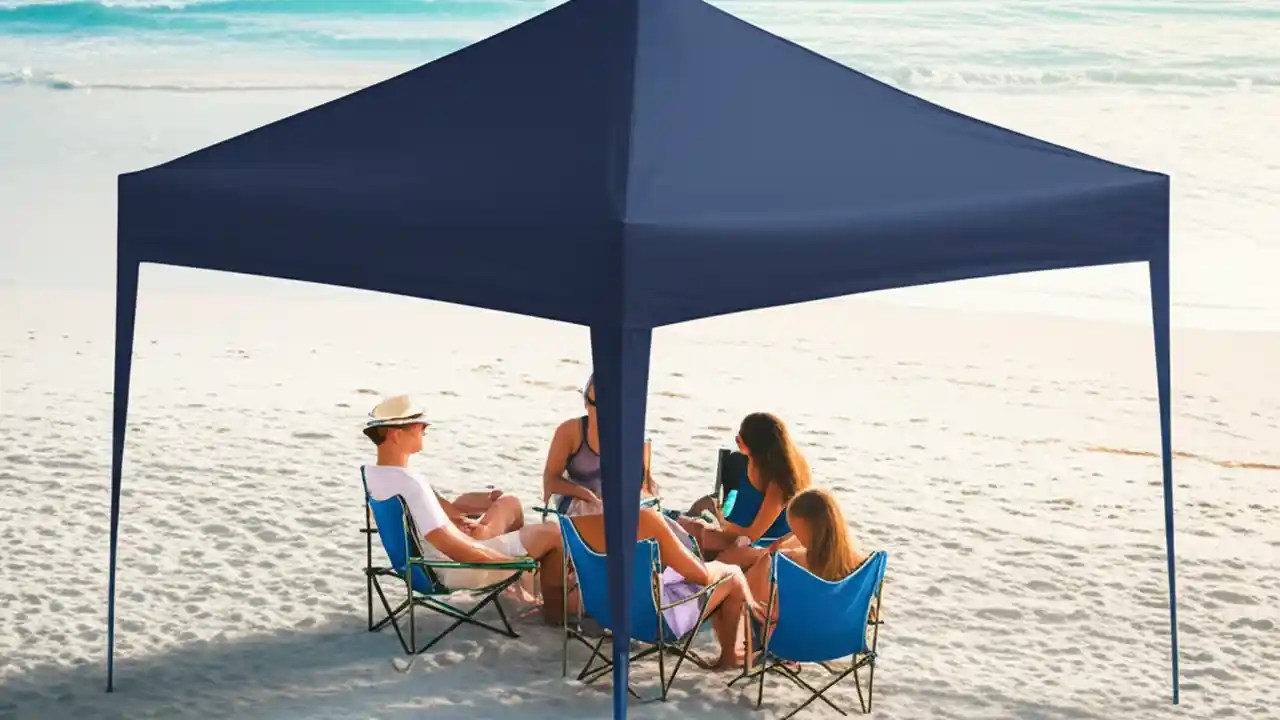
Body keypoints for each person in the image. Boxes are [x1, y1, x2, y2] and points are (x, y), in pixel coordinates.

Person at [361, 395, 567, 620]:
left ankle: (528, 593)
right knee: (553, 533)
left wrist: (458, 524)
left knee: (514, 512)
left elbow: (430, 531)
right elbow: (451, 546)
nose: (424, 429)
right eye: (419, 425)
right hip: (448, 570)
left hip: (416, 569)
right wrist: (509, 563)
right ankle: (555, 617)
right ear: (396, 434)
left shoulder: (374, 475)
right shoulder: (411, 482)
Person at [568, 508, 759, 669]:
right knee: (732, 574)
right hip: (655, 623)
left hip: (606, 613)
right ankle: (729, 658)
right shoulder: (646, 519)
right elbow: (700, 576)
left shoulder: (573, 522)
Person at [743, 488, 873, 659]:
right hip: (843, 644)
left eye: (796, 531)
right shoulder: (865, 565)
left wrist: (770, 554)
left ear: (807, 528)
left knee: (749, 596)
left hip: (792, 646)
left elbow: (764, 609)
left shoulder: (789, 562)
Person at [678, 412, 811, 569]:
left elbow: (752, 534)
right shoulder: (754, 462)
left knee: (693, 533)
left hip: (765, 545)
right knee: (686, 523)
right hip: (740, 534)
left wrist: (719, 521)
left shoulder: (780, 482)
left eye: (739, 438)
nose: (737, 440)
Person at [541, 373, 658, 516]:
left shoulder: (635, 438)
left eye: (610, 407)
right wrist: (583, 493)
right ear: (585, 403)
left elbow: (645, 488)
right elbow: (550, 481)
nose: (603, 414)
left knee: (662, 519)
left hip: (614, 506)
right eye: (596, 405)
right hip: (575, 503)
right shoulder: (571, 432)